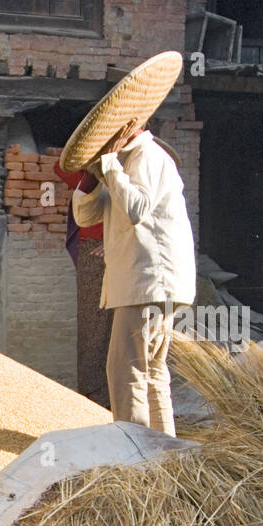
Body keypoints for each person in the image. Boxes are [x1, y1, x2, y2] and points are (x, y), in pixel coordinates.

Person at [71, 120, 195, 435]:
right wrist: (91, 177)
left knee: (126, 371)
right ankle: (162, 453)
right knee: (151, 372)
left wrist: (111, 164)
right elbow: (86, 217)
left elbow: (136, 209)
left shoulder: (147, 156)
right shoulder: (123, 162)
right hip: (145, 284)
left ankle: (133, 453)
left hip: (150, 282)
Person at [53, 158, 113, 409]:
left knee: (113, 329)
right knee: (94, 326)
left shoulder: (126, 172)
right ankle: (93, 398)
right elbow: (61, 167)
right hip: (94, 254)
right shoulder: (93, 177)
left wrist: (114, 242)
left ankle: (108, 397)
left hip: (119, 252)